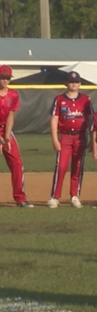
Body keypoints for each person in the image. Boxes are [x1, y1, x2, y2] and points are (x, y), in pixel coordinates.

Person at [48, 70, 93, 209]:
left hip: (80, 136)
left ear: (80, 84)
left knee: (77, 167)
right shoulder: (60, 99)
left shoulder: (85, 99)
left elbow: (91, 118)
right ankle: (55, 196)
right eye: (71, 81)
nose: (74, 84)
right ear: (66, 83)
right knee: (61, 166)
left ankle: (74, 195)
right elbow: (54, 119)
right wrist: (55, 139)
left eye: (76, 82)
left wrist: (92, 138)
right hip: (65, 136)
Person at [0, 64, 29, 207]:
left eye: (7, 78)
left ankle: (20, 198)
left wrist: (6, 138)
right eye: (2, 77)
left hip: (5, 130)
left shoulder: (13, 95)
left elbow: (10, 116)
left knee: (17, 163)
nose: (4, 81)